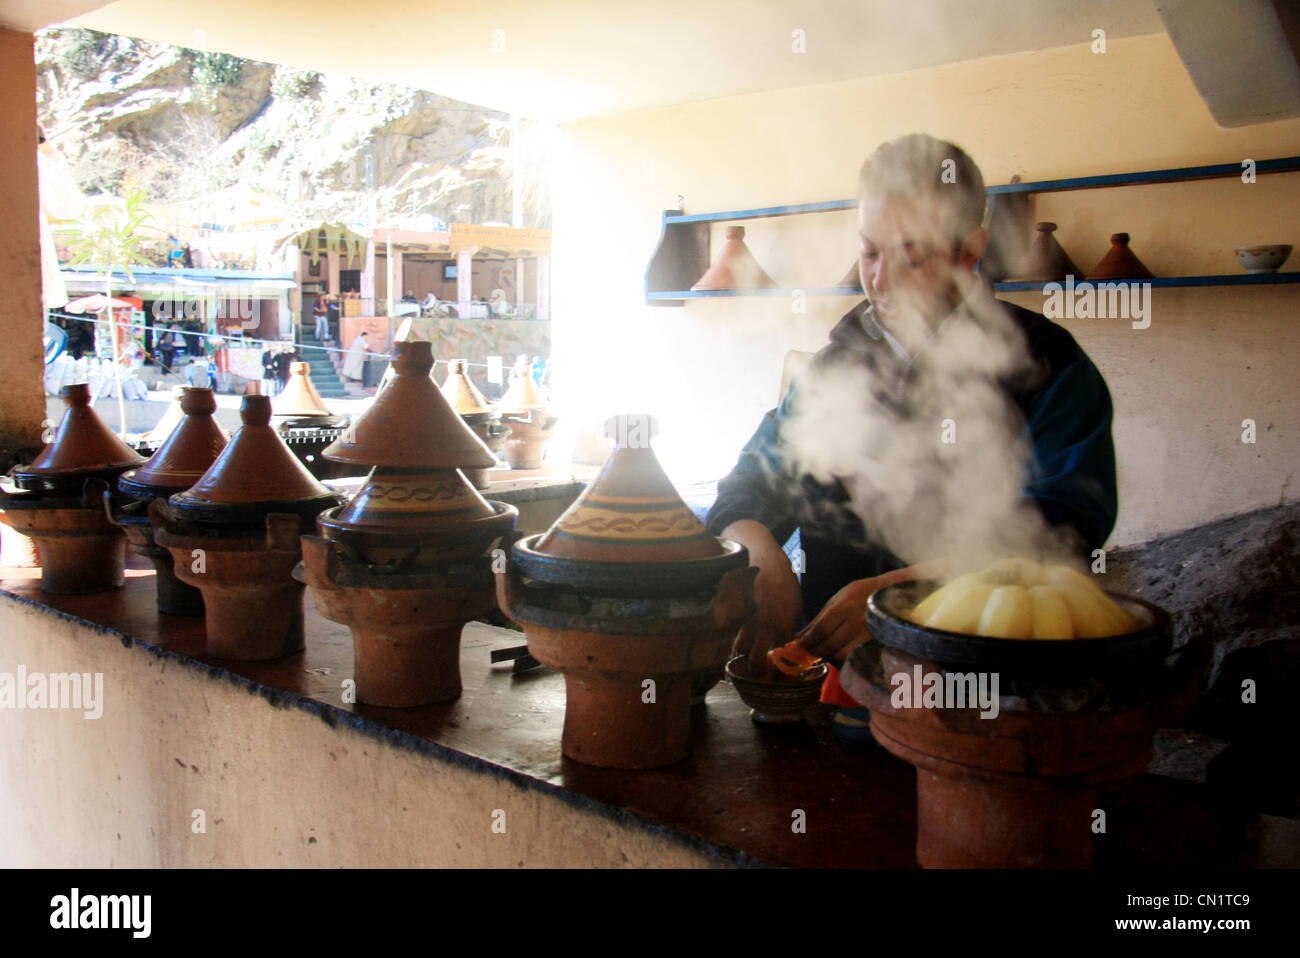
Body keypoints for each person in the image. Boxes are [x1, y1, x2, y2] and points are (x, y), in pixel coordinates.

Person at [704, 134, 1117, 734]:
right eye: (869, 252)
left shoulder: (1046, 366)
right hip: (834, 695)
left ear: (971, 251)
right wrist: (760, 554)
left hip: (986, 706)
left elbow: (1065, 534)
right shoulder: (832, 370)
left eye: (913, 256)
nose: (882, 280)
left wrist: (893, 597)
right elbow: (747, 490)